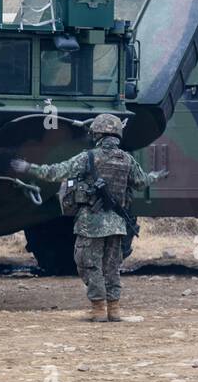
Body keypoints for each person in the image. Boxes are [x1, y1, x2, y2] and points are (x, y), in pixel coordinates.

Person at [11, 113, 156, 322]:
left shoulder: (87, 158)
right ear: (117, 134)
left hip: (91, 223)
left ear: (96, 133)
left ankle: (98, 309)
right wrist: (156, 176)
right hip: (117, 224)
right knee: (112, 267)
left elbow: (56, 172)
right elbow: (141, 182)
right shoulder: (127, 159)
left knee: (89, 264)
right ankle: (113, 310)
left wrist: (28, 168)